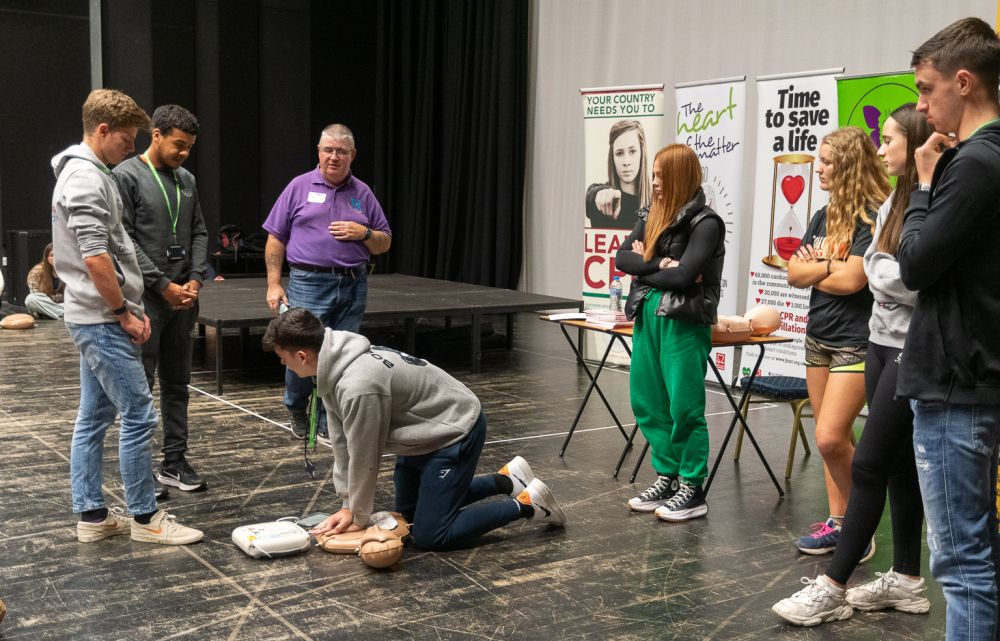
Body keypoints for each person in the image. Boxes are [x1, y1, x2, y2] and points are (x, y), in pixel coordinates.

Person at [772, 104, 933, 626]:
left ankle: (834, 583)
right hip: (869, 339)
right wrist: (834, 268)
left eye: (889, 139)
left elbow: (876, 278)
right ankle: (907, 577)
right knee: (897, 466)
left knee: (857, 458)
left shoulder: (893, 207)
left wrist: (850, 270)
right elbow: (797, 270)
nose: (880, 147)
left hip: (882, 345)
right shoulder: (887, 207)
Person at [261, 308, 565, 549]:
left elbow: (365, 457)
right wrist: (347, 505)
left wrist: (359, 516)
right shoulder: (331, 363)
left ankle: (527, 504)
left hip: (454, 430)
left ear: (302, 355)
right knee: (411, 516)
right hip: (422, 432)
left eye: (282, 359)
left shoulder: (357, 386)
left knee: (432, 535)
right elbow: (342, 443)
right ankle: (505, 480)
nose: (284, 366)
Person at [51, 88, 202, 545]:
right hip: (101, 318)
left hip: (100, 314)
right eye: (126, 138)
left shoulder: (93, 173)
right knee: (138, 413)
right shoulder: (85, 179)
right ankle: (145, 518)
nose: (131, 147)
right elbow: (96, 258)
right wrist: (124, 312)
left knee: (94, 416)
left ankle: (93, 517)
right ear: (102, 130)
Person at [897, 18, 1000, 640]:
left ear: (964, 83)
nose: (920, 103)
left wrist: (923, 185)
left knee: (962, 564)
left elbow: (913, 264)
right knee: (978, 555)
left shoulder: (971, 165)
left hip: (958, 386)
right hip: (978, 373)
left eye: (926, 88)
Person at [786, 127, 889, 557]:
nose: (819, 168)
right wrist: (832, 265)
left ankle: (862, 526)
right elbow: (794, 272)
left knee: (830, 438)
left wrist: (822, 265)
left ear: (848, 165)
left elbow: (852, 280)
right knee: (831, 436)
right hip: (818, 338)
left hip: (854, 341)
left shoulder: (871, 217)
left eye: (827, 161)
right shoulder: (822, 216)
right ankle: (840, 521)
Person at [614, 143, 725, 522]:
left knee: (683, 407)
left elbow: (683, 276)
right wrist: (658, 263)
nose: (654, 180)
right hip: (648, 315)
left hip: (683, 320)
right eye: (655, 173)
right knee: (647, 402)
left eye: (661, 174)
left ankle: (693, 489)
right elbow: (621, 258)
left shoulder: (706, 223)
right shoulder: (652, 213)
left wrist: (646, 263)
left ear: (679, 175)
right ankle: (668, 475)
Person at [263, 124, 392, 440]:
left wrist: (363, 233)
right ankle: (295, 406)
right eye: (328, 150)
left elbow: (384, 242)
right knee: (302, 351)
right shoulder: (299, 186)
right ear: (319, 152)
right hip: (308, 283)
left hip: (353, 284)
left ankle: (324, 419)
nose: (334, 157)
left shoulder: (362, 193)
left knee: (341, 357)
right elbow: (275, 237)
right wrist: (274, 284)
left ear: (353, 155)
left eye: (341, 152)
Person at [115, 104, 209, 496]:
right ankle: (138, 473)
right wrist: (161, 284)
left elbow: (200, 232)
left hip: (183, 300)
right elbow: (123, 237)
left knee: (178, 384)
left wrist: (194, 279)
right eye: (178, 145)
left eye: (188, 147)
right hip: (147, 301)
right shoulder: (126, 175)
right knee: (142, 389)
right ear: (156, 134)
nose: (183, 153)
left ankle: (174, 462)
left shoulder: (186, 179)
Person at [585, 120, 652, 230]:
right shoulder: (602, 194)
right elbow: (590, 197)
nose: (626, 161)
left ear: (642, 153)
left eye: (632, 151)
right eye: (619, 153)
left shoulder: (656, 202)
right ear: (613, 158)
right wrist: (600, 195)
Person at [25, 243, 65, 319]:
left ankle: (57, 314)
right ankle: (63, 314)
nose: (55, 258)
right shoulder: (37, 272)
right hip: (47, 305)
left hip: (64, 304)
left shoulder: (70, 269)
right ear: (47, 258)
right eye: (52, 255)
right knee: (30, 299)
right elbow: (36, 295)